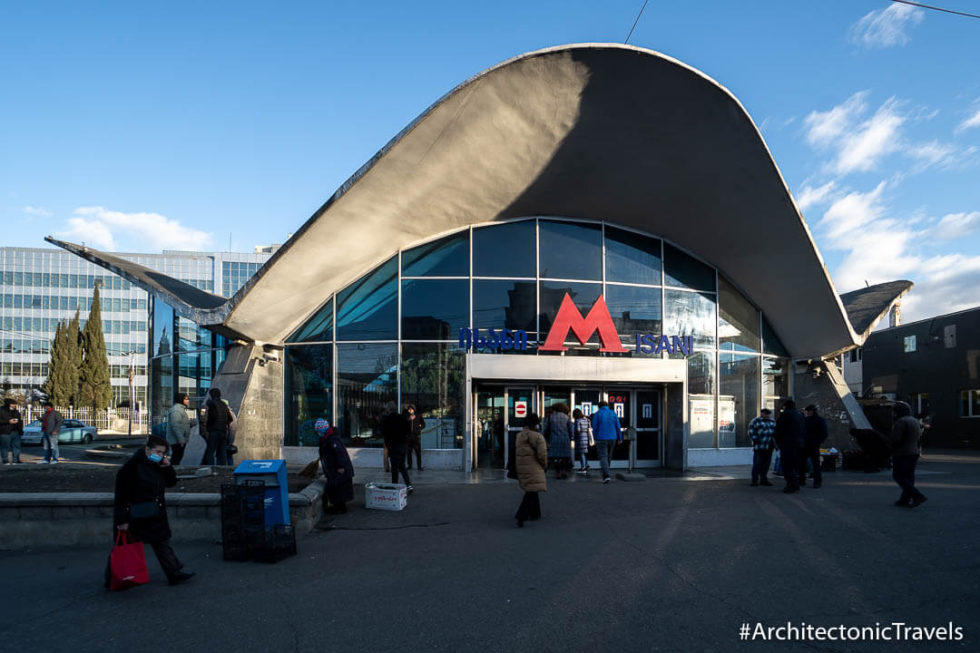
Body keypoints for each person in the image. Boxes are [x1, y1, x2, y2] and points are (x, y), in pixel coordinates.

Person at [108, 435, 194, 587]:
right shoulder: (131, 467)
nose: (160, 455)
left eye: (163, 453)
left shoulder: (157, 464)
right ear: (147, 449)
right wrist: (122, 520)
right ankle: (114, 576)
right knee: (126, 546)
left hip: (153, 512)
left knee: (161, 542)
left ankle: (173, 572)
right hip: (135, 514)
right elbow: (121, 495)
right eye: (158, 452)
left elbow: (171, 482)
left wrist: (167, 467)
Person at [890, 401, 927, 508]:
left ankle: (917, 496)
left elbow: (896, 439)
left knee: (898, 476)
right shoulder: (914, 421)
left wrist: (891, 449)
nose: (893, 414)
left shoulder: (901, 422)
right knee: (909, 476)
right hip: (914, 452)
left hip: (902, 453)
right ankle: (905, 499)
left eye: (894, 411)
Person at [514, 412, 547, 527]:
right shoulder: (538, 437)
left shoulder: (519, 436)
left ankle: (535, 513)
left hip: (522, 466)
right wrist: (544, 465)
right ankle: (521, 516)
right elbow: (542, 455)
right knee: (531, 491)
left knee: (532, 488)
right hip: (534, 466)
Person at [317, 418, 354, 514]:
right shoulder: (326, 439)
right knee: (336, 487)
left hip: (338, 469)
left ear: (322, 430)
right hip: (333, 468)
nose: (317, 433)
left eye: (318, 431)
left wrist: (341, 466)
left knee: (338, 488)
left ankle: (340, 508)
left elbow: (340, 453)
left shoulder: (332, 439)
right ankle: (339, 506)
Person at [774, 400, 805, 493]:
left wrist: (779, 442)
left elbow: (778, 429)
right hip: (798, 444)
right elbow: (804, 430)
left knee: (787, 465)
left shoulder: (785, 415)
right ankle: (795, 484)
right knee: (794, 465)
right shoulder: (800, 416)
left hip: (787, 444)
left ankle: (791, 485)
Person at [381, 401, 412, 493]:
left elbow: (385, 434)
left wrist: (387, 445)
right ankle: (408, 485)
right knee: (402, 466)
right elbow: (408, 431)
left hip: (394, 446)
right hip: (403, 445)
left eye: (386, 409)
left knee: (394, 468)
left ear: (388, 409)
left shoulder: (387, 420)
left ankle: (394, 487)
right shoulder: (402, 418)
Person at [200, 388, 233, 466]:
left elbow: (202, 418)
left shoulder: (209, 404)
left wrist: (206, 428)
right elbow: (230, 418)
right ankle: (222, 468)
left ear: (211, 395)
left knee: (210, 451)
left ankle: (210, 467)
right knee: (222, 452)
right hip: (223, 431)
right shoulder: (224, 404)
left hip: (213, 431)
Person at [591, 401, 622, 484]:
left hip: (601, 437)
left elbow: (595, 427)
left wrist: (595, 438)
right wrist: (620, 438)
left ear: (599, 406)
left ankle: (606, 475)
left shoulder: (597, 414)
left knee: (603, 456)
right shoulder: (613, 413)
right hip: (613, 437)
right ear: (607, 405)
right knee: (609, 456)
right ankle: (606, 471)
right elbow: (618, 426)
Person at [800, 404, 829, 489]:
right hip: (809, 445)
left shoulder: (813, 420)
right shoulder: (816, 420)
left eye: (808, 411)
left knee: (813, 464)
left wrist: (817, 442)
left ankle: (811, 481)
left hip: (811, 445)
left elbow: (824, 433)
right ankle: (809, 481)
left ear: (812, 411)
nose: (807, 413)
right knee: (811, 464)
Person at [543, 403, 572, 479]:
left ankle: (557, 472)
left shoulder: (550, 417)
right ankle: (563, 471)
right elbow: (571, 429)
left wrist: (544, 437)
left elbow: (545, 429)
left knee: (556, 458)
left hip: (554, 439)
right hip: (565, 439)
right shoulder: (566, 417)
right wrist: (571, 437)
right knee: (564, 457)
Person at [748, 408, 776, 486]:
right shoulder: (755, 421)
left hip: (769, 446)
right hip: (759, 446)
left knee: (766, 464)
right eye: (765, 413)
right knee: (757, 463)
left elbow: (775, 433)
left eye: (768, 413)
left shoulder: (772, 422)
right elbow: (751, 433)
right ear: (761, 413)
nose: (767, 415)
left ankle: (764, 479)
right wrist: (757, 440)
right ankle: (755, 480)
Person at [165, 393, 192, 465]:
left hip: (179, 439)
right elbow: (175, 425)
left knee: (178, 457)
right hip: (177, 440)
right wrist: (180, 438)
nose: (188, 401)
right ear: (181, 400)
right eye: (186, 399)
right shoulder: (177, 410)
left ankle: (173, 471)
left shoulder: (180, 409)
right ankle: (172, 472)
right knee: (176, 457)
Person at [1, 398, 24, 464]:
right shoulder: (1, 410)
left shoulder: (16, 411)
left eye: (15, 404)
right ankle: (5, 460)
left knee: (17, 446)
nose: (14, 405)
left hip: (15, 431)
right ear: (8, 404)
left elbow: (20, 421)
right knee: (5, 447)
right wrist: (8, 421)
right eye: (13, 404)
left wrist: (20, 430)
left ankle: (16, 460)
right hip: (5, 432)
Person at [404, 404, 425, 471]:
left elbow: (423, 424)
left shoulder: (418, 416)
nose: (410, 411)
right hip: (409, 436)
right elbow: (403, 423)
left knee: (418, 452)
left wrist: (419, 428)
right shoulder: (407, 416)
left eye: (411, 409)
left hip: (416, 436)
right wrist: (409, 419)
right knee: (409, 452)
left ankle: (419, 466)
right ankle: (409, 465)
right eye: (409, 409)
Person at [572, 408, 592, 474]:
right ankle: (586, 465)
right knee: (585, 453)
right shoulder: (586, 420)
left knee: (581, 453)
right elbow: (589, 428)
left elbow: (578, 430)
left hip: (580, 438)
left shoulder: (577, 421)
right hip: (586, 437)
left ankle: (583, 467)